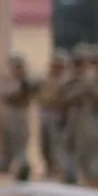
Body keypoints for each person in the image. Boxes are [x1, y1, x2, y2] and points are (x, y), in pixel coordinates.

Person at [71, 43, 98, 189]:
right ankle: (91, 182)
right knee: (86, 153)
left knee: (96, 155)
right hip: (90, 121)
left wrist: (88, 86)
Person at [0, 53, 35, 181]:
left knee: (20, 144)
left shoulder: (26, 82)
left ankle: (23, 168)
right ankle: (6, 165)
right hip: (9, 116)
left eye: (18, 67)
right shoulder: (9, 81)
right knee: (8, 143)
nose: (15, 70)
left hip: (20, 116)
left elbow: (20, 94)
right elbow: (3, 94)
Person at [37, 52, 77, 183]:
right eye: (54, 65)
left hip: (56, 114)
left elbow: (65, 100)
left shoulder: (66, 81)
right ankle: (49, 169)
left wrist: (62, 114)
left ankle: (57, 172)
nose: (56, 68)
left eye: (59, 66)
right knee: (45, 144)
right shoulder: (48, 79)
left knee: (56, 145)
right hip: (45, 112)